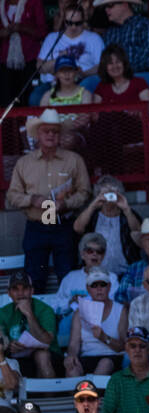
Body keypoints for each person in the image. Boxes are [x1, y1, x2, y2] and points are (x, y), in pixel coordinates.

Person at [5, 108, 90, 291]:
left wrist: (66, 203)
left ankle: (69, 318)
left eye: (55, 131)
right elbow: (12, 195)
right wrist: (31, 200)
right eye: (46, 131)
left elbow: (85, 192)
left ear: (60, 135)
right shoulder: (24, 163)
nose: (51, 135)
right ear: (38, 134)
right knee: (34, 279)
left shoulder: (74, 160)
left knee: (68, 276)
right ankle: (35, 318)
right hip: (37, 225)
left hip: (64, 224)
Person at [94, 0, 149, 99]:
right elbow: (105, 59)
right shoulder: (110, 32)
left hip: (143, 75)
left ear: (124, 4)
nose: (106, 10)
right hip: (113, 76)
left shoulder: (146, 25)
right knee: (88, 83)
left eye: (110, 6)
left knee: (141, 82)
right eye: (105, 7)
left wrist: (121, 71)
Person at [71, 179, 139, 278]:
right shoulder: (93, 215)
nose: (109, 197)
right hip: (96, 274)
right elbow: (78, 228)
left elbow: (138, 231)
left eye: (113, 193)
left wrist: (126, 209)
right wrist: (93, 205)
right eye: (105, 193)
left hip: (125, 273)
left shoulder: (127, 213)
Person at [32, 4, 97, 105]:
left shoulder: (94, 38)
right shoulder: (51, 38)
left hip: (82, 81)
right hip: (53, 83)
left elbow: (102, 66)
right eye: (69, 23)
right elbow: (40, 67)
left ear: (84, 21)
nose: (73, 27)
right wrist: (58, 60)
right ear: (64, 21)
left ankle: (81, 119)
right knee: (35, 97)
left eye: (78, 23)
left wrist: (83, 74)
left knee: (89, 85)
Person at [65, 267, 126, 376]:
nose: (99, 289)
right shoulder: (79, 312)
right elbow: (74, 344)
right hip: (87, 357)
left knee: (105, 363)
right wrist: (71, 355)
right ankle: (84, 392)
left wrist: (103, 337)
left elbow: (123, 345)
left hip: (112, 357)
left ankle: (88, 392)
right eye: (94, 285)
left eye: (102, 284)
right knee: (72, 368)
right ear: (88, 289)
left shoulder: (120, 310)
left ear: (109, 286)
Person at [0, 271, 57, 379]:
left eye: (25, 288)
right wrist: (9, 346)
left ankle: (49, 396)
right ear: (9, 293)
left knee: (42, 355)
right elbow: (2, 340)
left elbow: (47, 340)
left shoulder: (45, 310)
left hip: (48, 355)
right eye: (15, 289)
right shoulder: (3, 312)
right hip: (15, 358)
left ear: (32, 291)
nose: (20, 293)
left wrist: (29, 313)